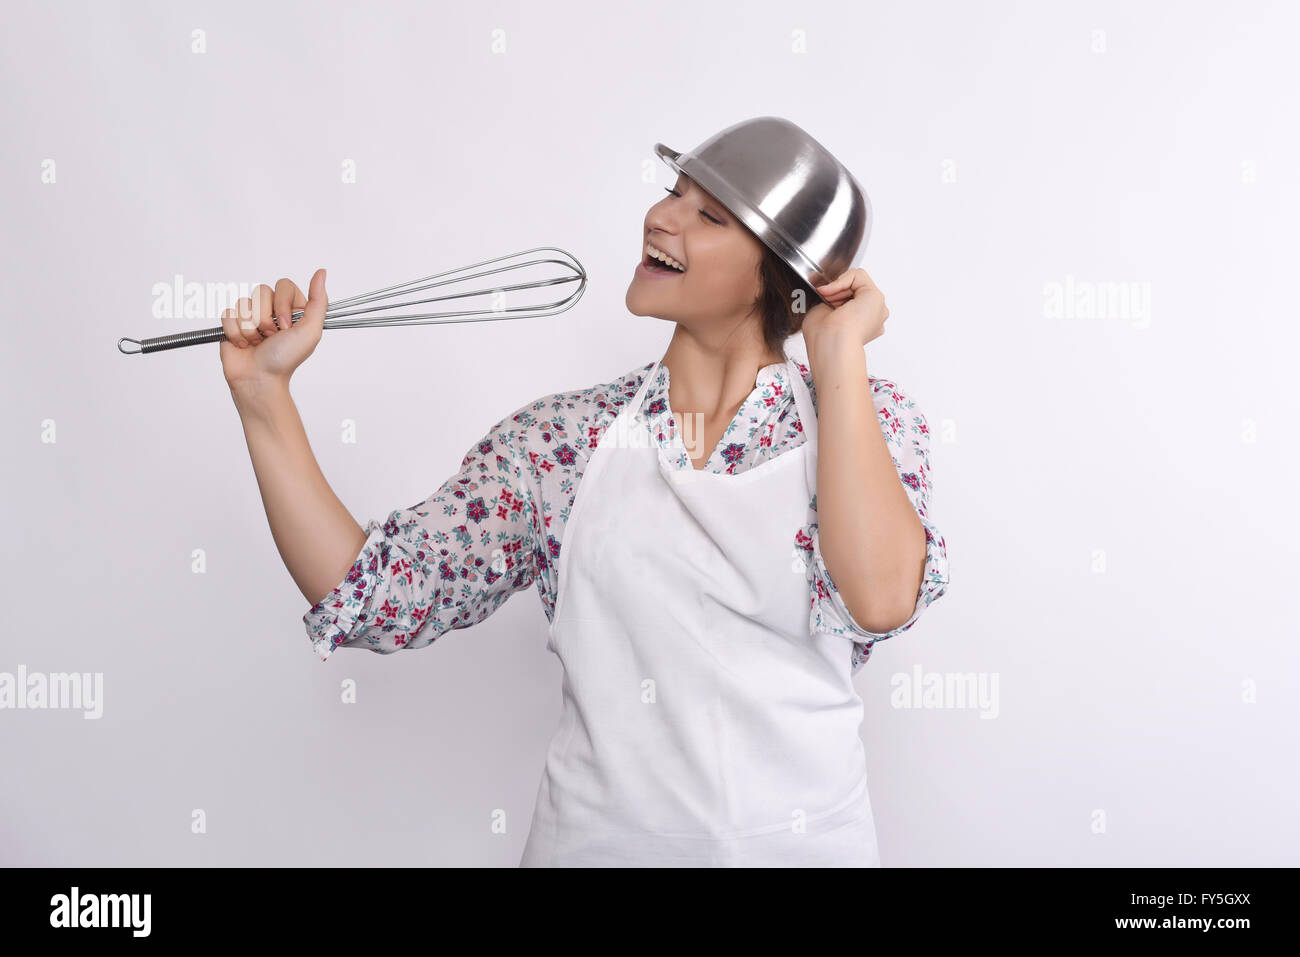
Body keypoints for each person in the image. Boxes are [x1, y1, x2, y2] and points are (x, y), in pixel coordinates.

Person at [220, 118, 950, 867]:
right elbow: (377, 597)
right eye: (674, 192)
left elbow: (880, 597)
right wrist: (264, 397)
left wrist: (835, 350)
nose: (661, 217)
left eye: (709, 214)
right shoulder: (561, 442)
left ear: (779, 273)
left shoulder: (863, 418)